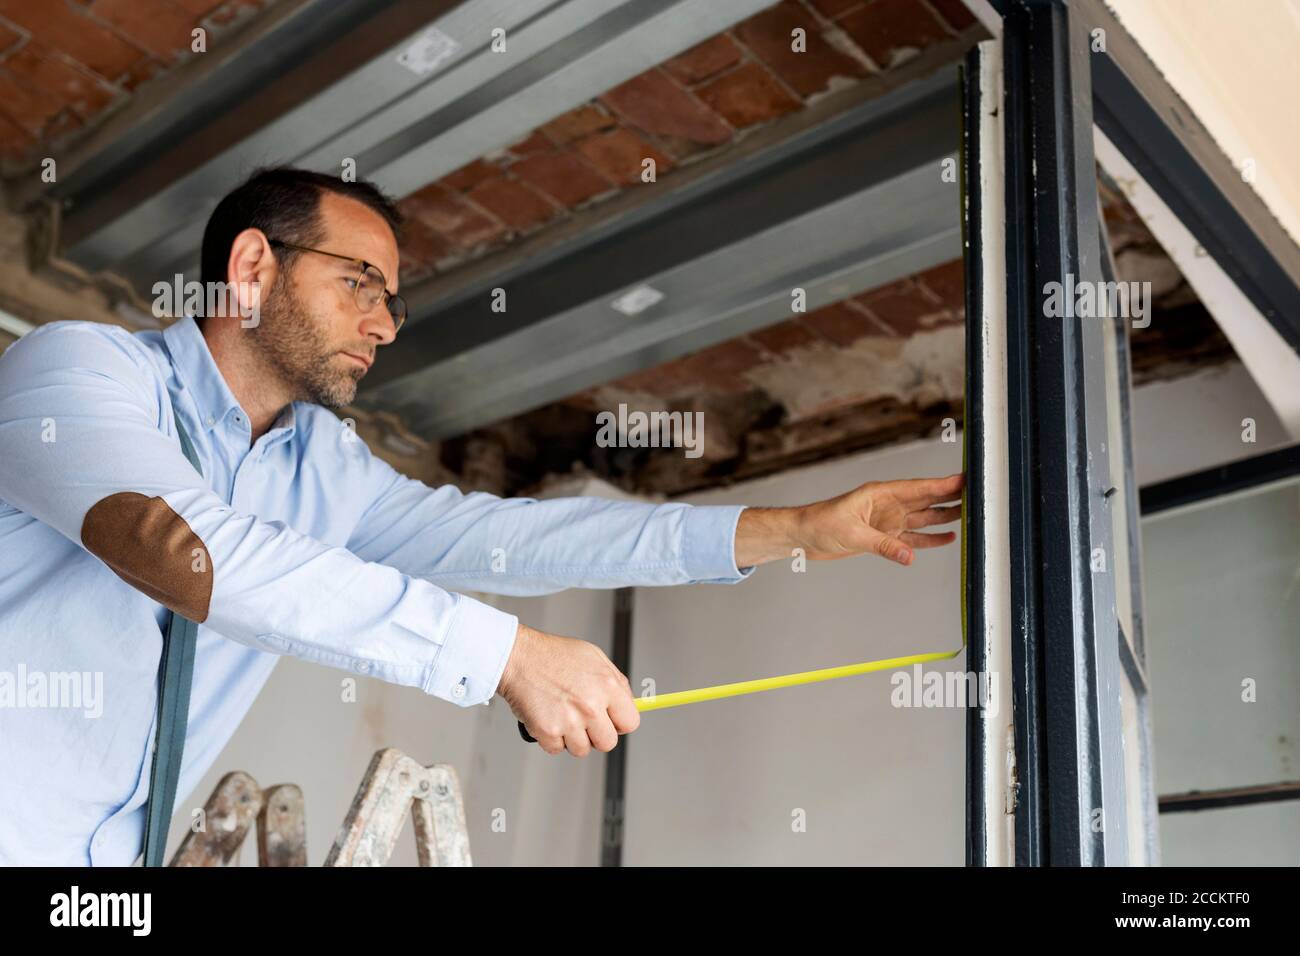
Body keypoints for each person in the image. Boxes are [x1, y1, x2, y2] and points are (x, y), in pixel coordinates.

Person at [0, 167, 963, 865]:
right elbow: (186, 553)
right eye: (358, 284)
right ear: (253, 264)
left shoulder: (324, 467)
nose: (383, 325)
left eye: (392, 304)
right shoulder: (79, 370)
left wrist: (792, 531)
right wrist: (506, 656)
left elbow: (504, 536)